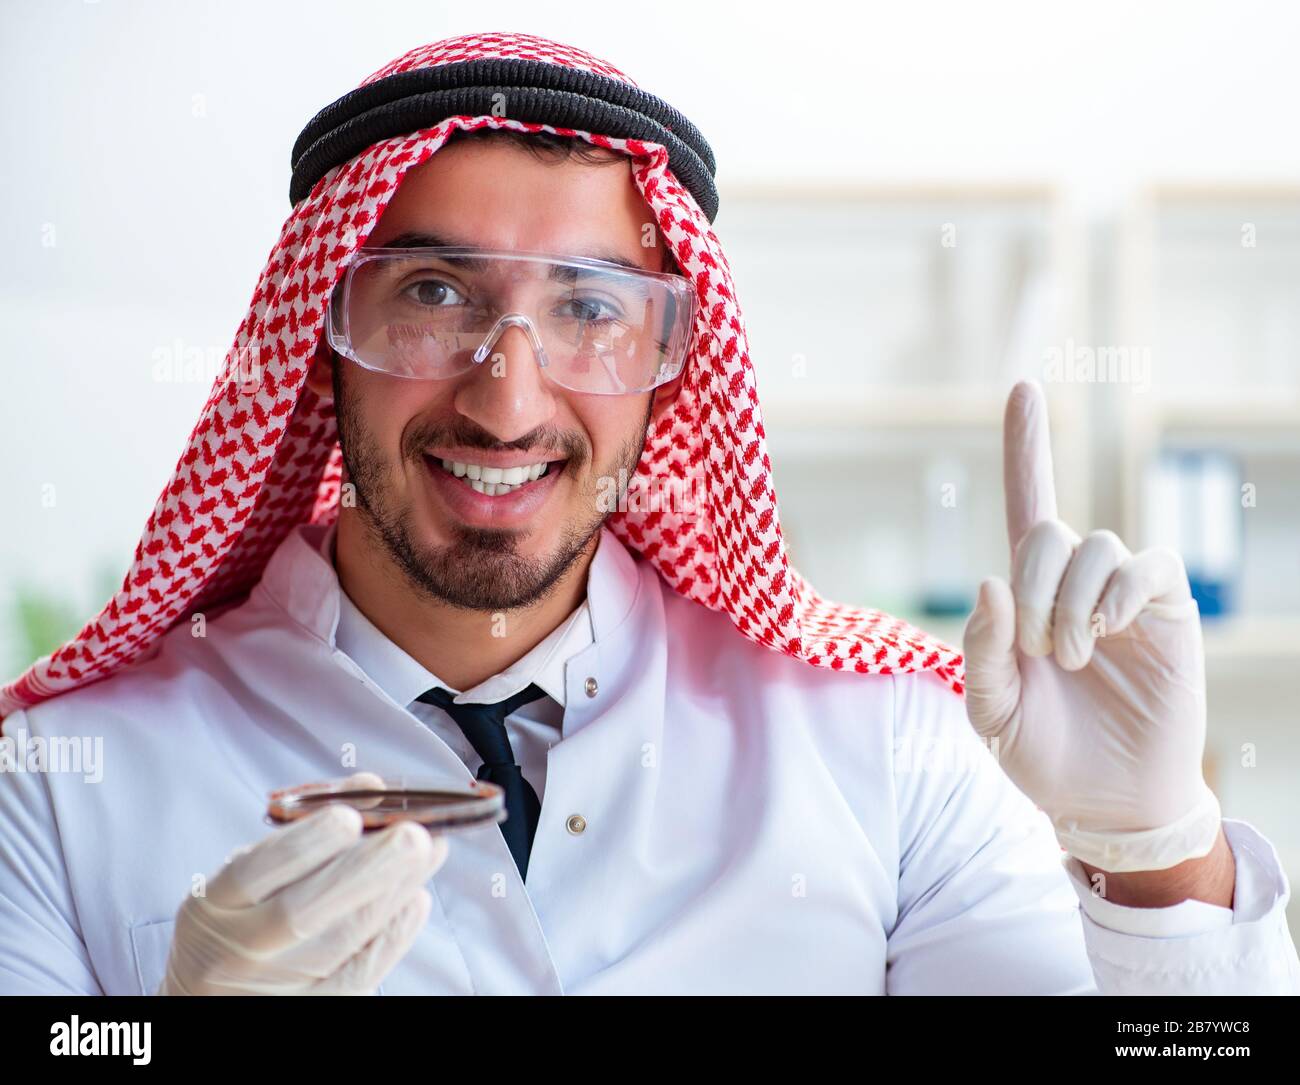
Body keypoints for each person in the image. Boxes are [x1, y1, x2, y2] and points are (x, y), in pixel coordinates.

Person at [0, 31, 1295, 996]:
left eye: (588, 307)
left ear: (671, 356)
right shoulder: (60, 784)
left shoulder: (885, 740)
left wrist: (1157, 856)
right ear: (322, 333)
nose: (506, 400)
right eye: (436, 294)